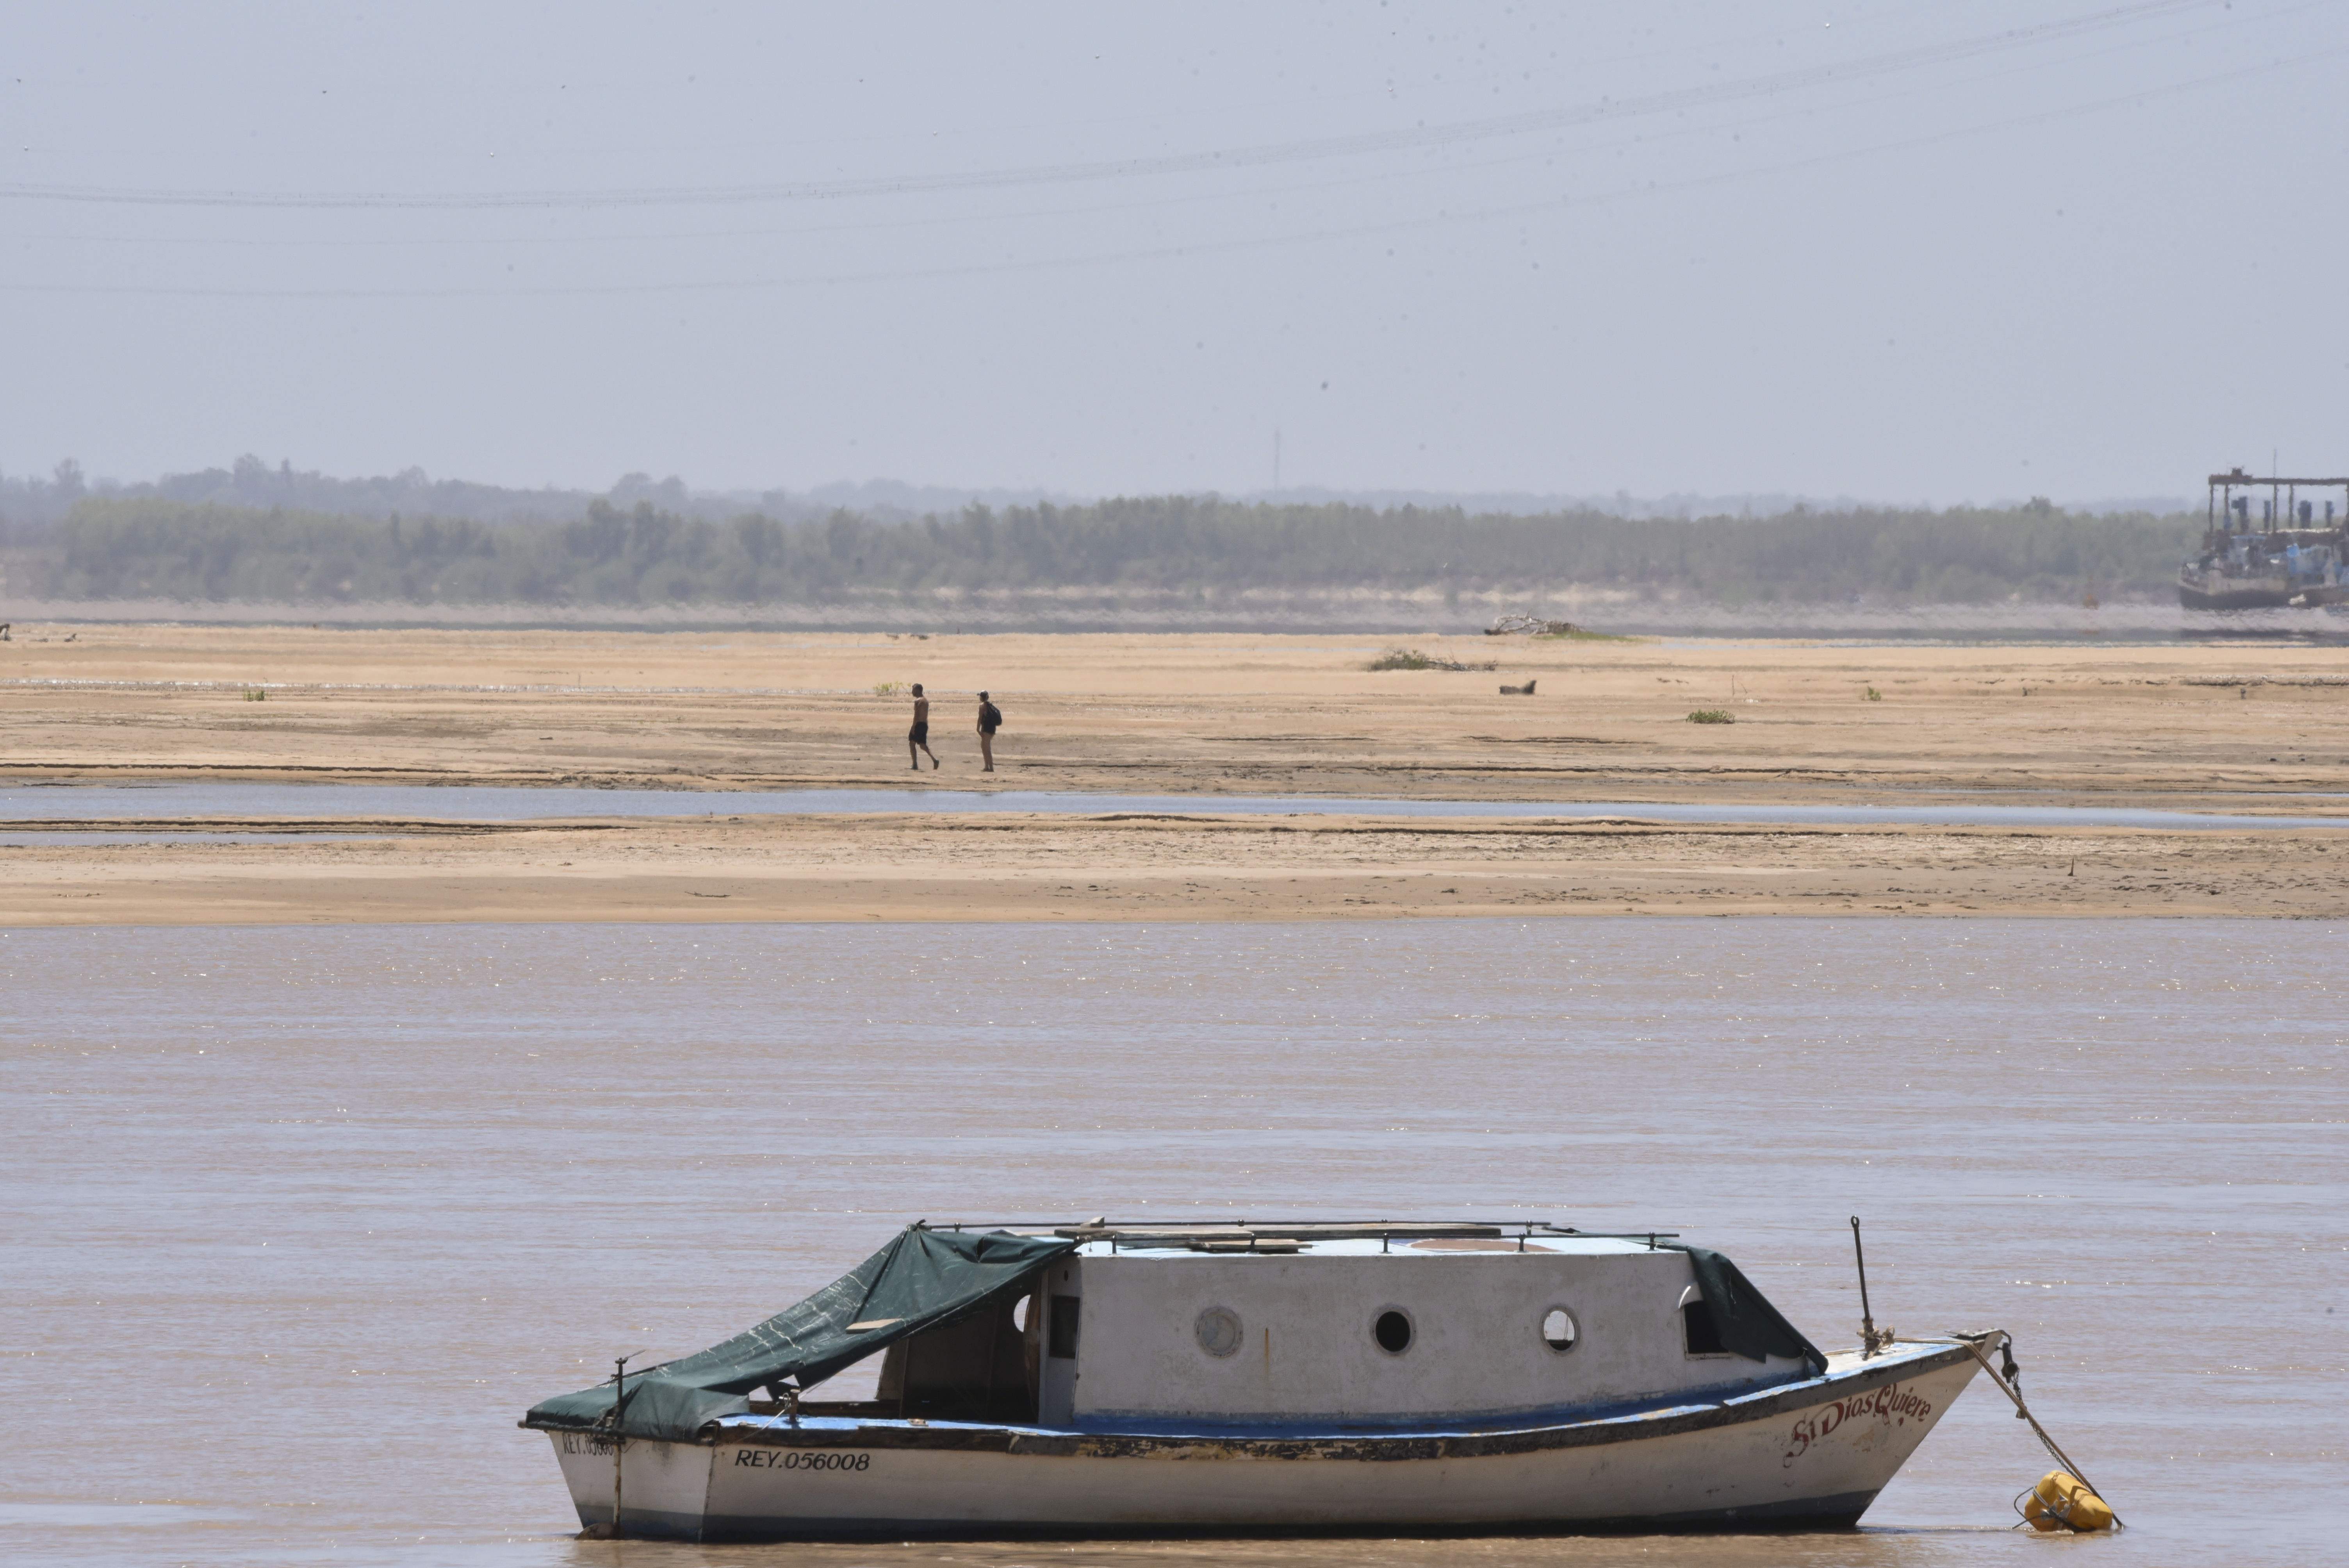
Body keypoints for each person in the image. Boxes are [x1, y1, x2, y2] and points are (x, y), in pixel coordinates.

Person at [907, 683, 939, 770]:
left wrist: (913, 727)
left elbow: (916, 715)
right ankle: (934, 759)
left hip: (919, 724)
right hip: (925, 725)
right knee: (922, 745)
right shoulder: (925, 701)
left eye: (913, 690)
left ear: (917, 690)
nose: (912, 692)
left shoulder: (918, 701)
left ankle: (915, 765)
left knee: (912, 743)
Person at [976, 690, 1002, 773]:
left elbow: (980, 719)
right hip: (991, 730)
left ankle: (990, 768)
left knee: (987, 749)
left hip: (987, 730)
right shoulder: (990, 705)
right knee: (984, 747)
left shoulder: (982, 706)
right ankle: (987, 766)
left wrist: (978, 729)